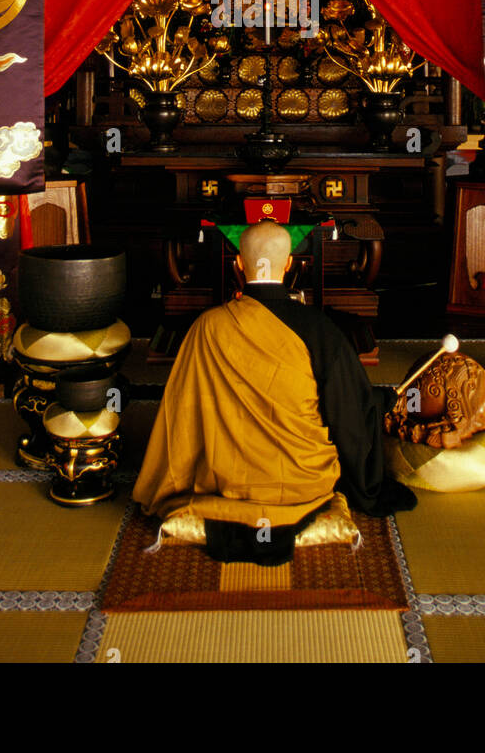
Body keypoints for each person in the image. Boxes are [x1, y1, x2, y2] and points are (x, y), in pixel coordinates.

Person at [133, 220, 416, 564]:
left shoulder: (206, 327)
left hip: (223, 480)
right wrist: (382, 401)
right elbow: (349, 413)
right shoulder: (320, 330)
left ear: (237, 264)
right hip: (302, 481)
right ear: (290, 265)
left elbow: (181, 413)